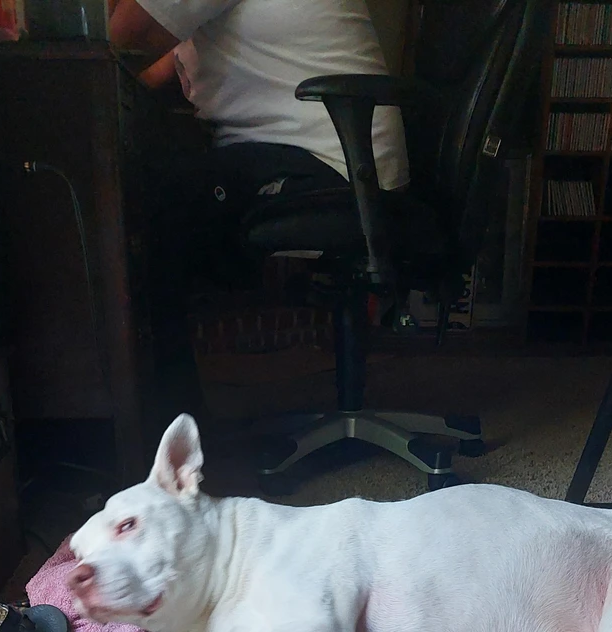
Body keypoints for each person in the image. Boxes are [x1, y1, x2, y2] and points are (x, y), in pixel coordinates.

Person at [108, 0, 409, 424]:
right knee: (180, 185)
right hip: (354, 163)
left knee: (159, 201)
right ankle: (175, 407)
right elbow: (148, 67)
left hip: (329, 165)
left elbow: (122, 32)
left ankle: (172, 419)